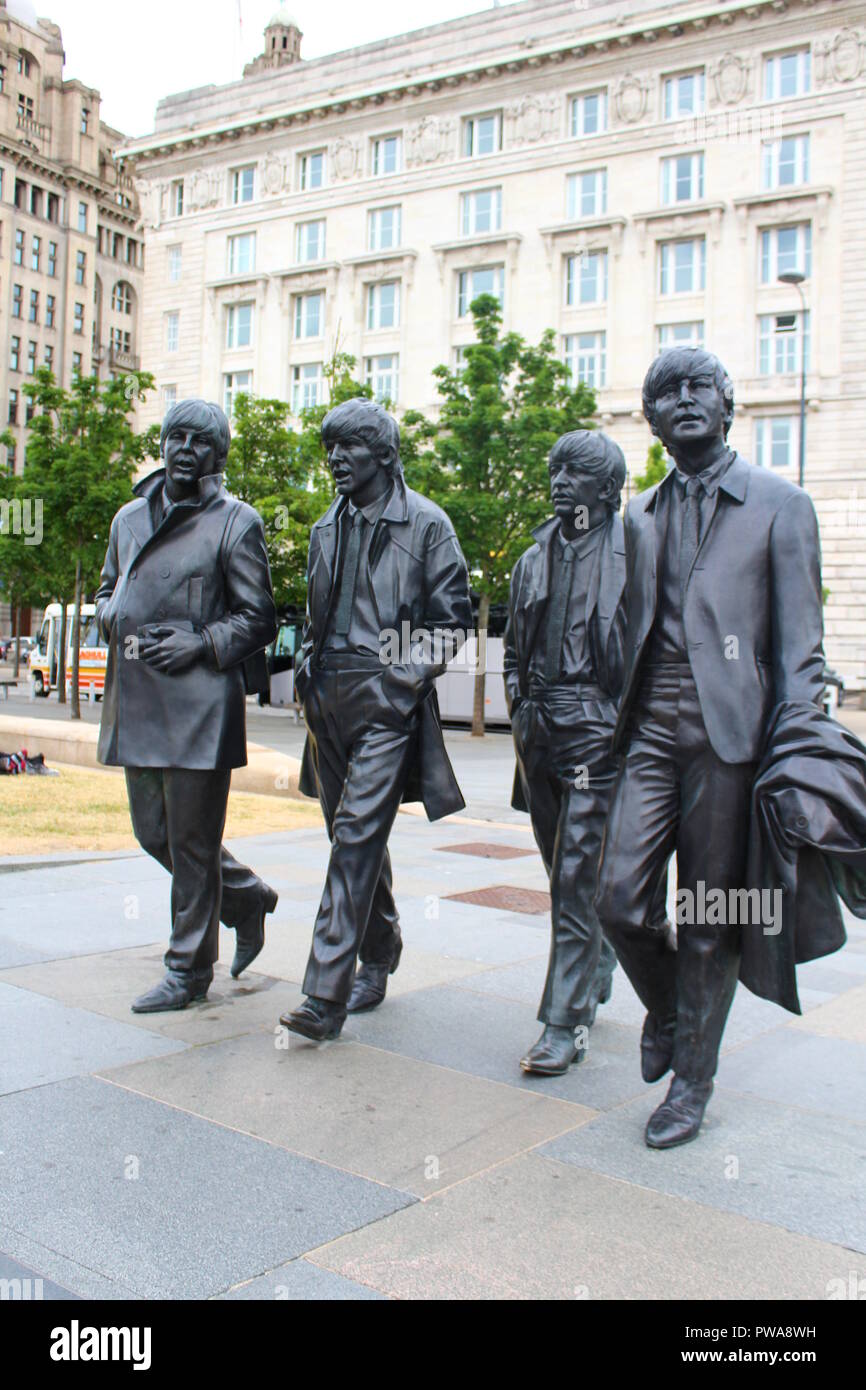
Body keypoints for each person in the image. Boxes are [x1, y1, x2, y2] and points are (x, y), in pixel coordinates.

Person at [595, 348, 825, 1147]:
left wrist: (794, 752)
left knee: (709, 913)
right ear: (650, 419)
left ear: (729, 407)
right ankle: (670, 1008)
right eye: (665, 391)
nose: (683, 400)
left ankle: (692, 1079)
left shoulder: (780, 505)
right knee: (616, 897)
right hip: (652, 726)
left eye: (700, 388)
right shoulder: (641, 513)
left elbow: (800, 650)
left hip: (735, 736)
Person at [281, 398, 472, 1043]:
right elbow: (314, 616)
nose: (335, 459)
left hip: (387, 699)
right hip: (327, 699)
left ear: (385, 456)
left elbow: (452, 623)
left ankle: (322, 995)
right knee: (350, 836)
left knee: (359, 835)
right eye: (330, 448)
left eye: (349, 448)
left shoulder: (427, 525)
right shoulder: (324, 527)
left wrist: (401, 680)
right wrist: (306, 672)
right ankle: (382, 943)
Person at [96, 399, 279, 1013]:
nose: (183, 449)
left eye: (199, 441)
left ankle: (188, 970)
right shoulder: (128, 517)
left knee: (194, 844)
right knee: (155, 835)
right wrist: (112, 613)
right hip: (138, 698)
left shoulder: (236, 521)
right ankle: (247, 899)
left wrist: (201, 641)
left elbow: (259, 618)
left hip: (200, 704)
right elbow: (105, 589)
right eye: (175, 436)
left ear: (218, 454)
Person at [504, 429, 668, 1076]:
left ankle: (562, 1022)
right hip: (540, 730)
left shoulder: (635, 552)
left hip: (599, 731)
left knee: (576, 875)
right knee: (562, 873)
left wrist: (622, 723)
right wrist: (518, 706)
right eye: (554, 470)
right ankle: (594, 965)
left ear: (606, 488)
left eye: (573, 472)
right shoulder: (531, 557)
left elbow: (651, 650)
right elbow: (515, 649)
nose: (559, 480)